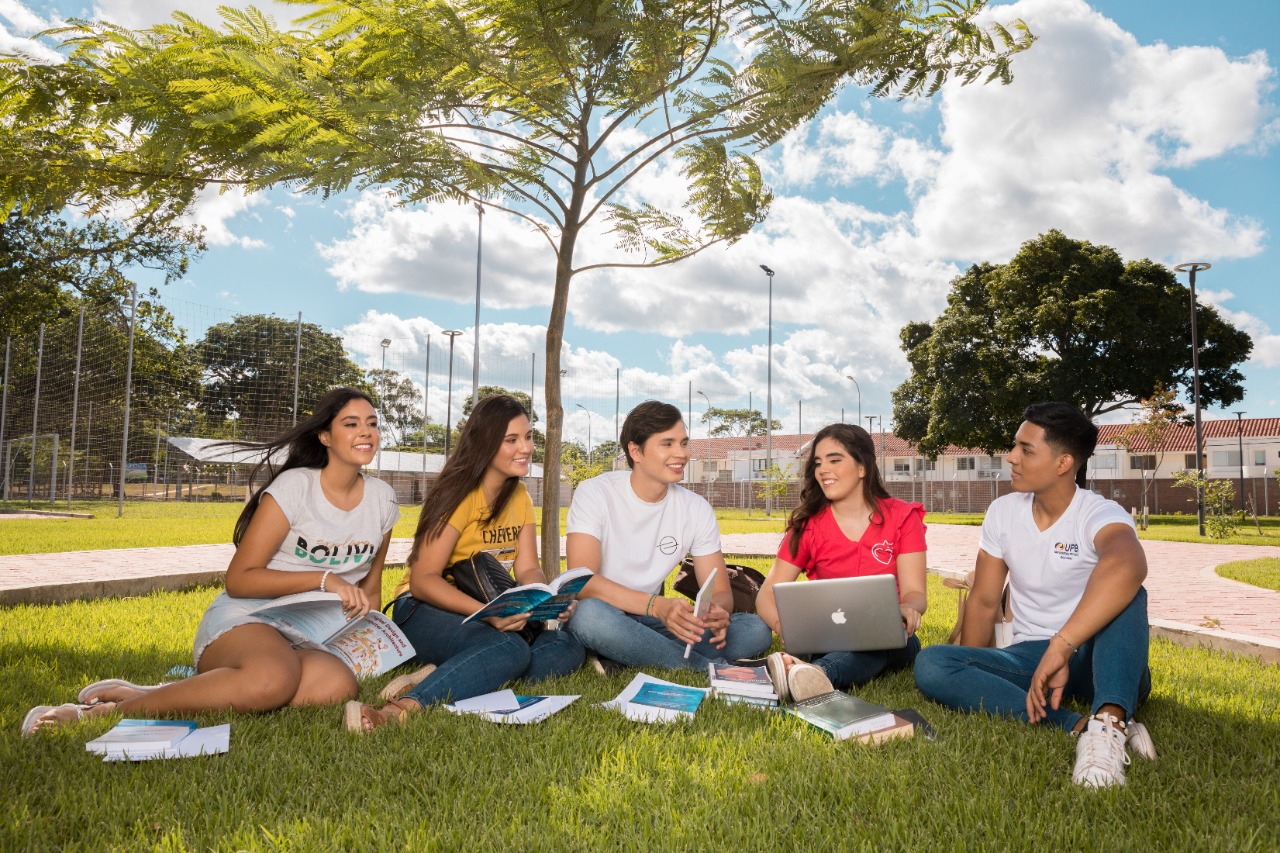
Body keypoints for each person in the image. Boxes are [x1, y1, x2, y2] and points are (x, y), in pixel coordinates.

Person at [22, 387, 400, 734]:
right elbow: (240, 579)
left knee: (335, 687)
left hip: (310, 631)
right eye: (351, 424)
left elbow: (370, 583)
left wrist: (370, 632)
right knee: (271, 680)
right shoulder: (296, 487)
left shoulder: (383, 499)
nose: (365, 432)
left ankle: (179, 690)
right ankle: (101, 712)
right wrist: (324, 580)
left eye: (372, 424)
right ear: (325, 436)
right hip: (248, 619)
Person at [913, 402, 1155, 788]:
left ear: (1063, 463)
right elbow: (985, 600)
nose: (1011, 458)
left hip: (1099, 659)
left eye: (1026, 450)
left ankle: (1109, 721)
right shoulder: (1003, 512)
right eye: (1015, 447)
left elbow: (1128, 565)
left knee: (1130, 592)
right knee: (932, 664)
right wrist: (974, 664)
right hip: (1030, 660)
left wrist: (1063, 646)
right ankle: (1078, 726)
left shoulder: (1100, 513)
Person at [346, 394, 585, 732]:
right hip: (423, 608)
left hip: (488, 608)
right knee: (510, 650)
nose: (527, 447)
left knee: (567, 647)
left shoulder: (519, 496)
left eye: (528, 437)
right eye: (512, 440)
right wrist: (489, 616)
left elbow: (527, 567)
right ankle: (404, 708)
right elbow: (423, 580)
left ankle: (446, 671)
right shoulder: (459, 495)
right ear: (486, 444)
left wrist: (546, 597)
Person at [564, 400, 771, 671]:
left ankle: (629, 656)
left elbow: (721, 591)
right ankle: (705, 669)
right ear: (636, 451)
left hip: (654, 622)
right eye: (667, 444)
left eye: (684, 443)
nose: (681, 453)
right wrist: (657, 606)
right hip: (607, 613)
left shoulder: (695, 508)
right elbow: (583, 582)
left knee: (755, 629)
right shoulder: (595, 492)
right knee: (587, 615)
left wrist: (717, 612)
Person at [754, 423, 927, 702]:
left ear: (863, 468)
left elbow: (916, 593)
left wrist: (909, 607)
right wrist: (782, 626)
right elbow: (766, 595)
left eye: (835, 460)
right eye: (818, 463)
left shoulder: (903, 518)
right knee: (843, 648)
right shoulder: (807, 526)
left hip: (893, 638)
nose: (823, 470)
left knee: (873, 643)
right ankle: (807, 673)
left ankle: (815, 673)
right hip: (824, 637)